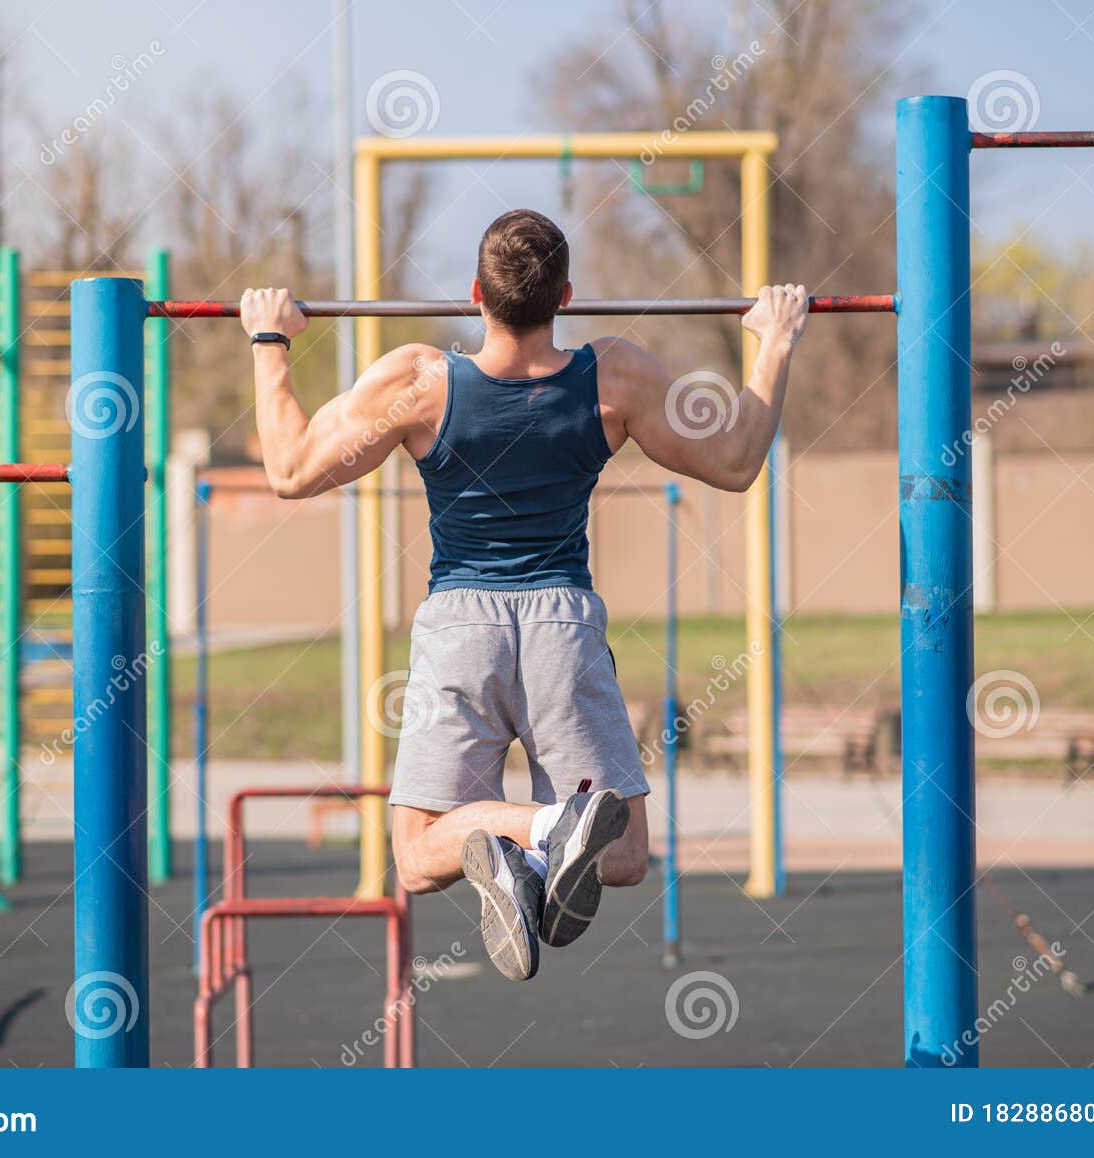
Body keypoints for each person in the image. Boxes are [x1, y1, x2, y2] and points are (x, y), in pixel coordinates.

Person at [240, 208, 810, 980]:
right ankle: (553, 834)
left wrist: (270, 341)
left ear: (476, 292)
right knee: (628, 854)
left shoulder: (420, 381)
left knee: (414, 857)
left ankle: (539, 832)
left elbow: (290, 470)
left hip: (459, 631)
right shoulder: (613, 375)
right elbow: (737, 459)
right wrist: (773, 342)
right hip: (562, 628)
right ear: (566, 295)